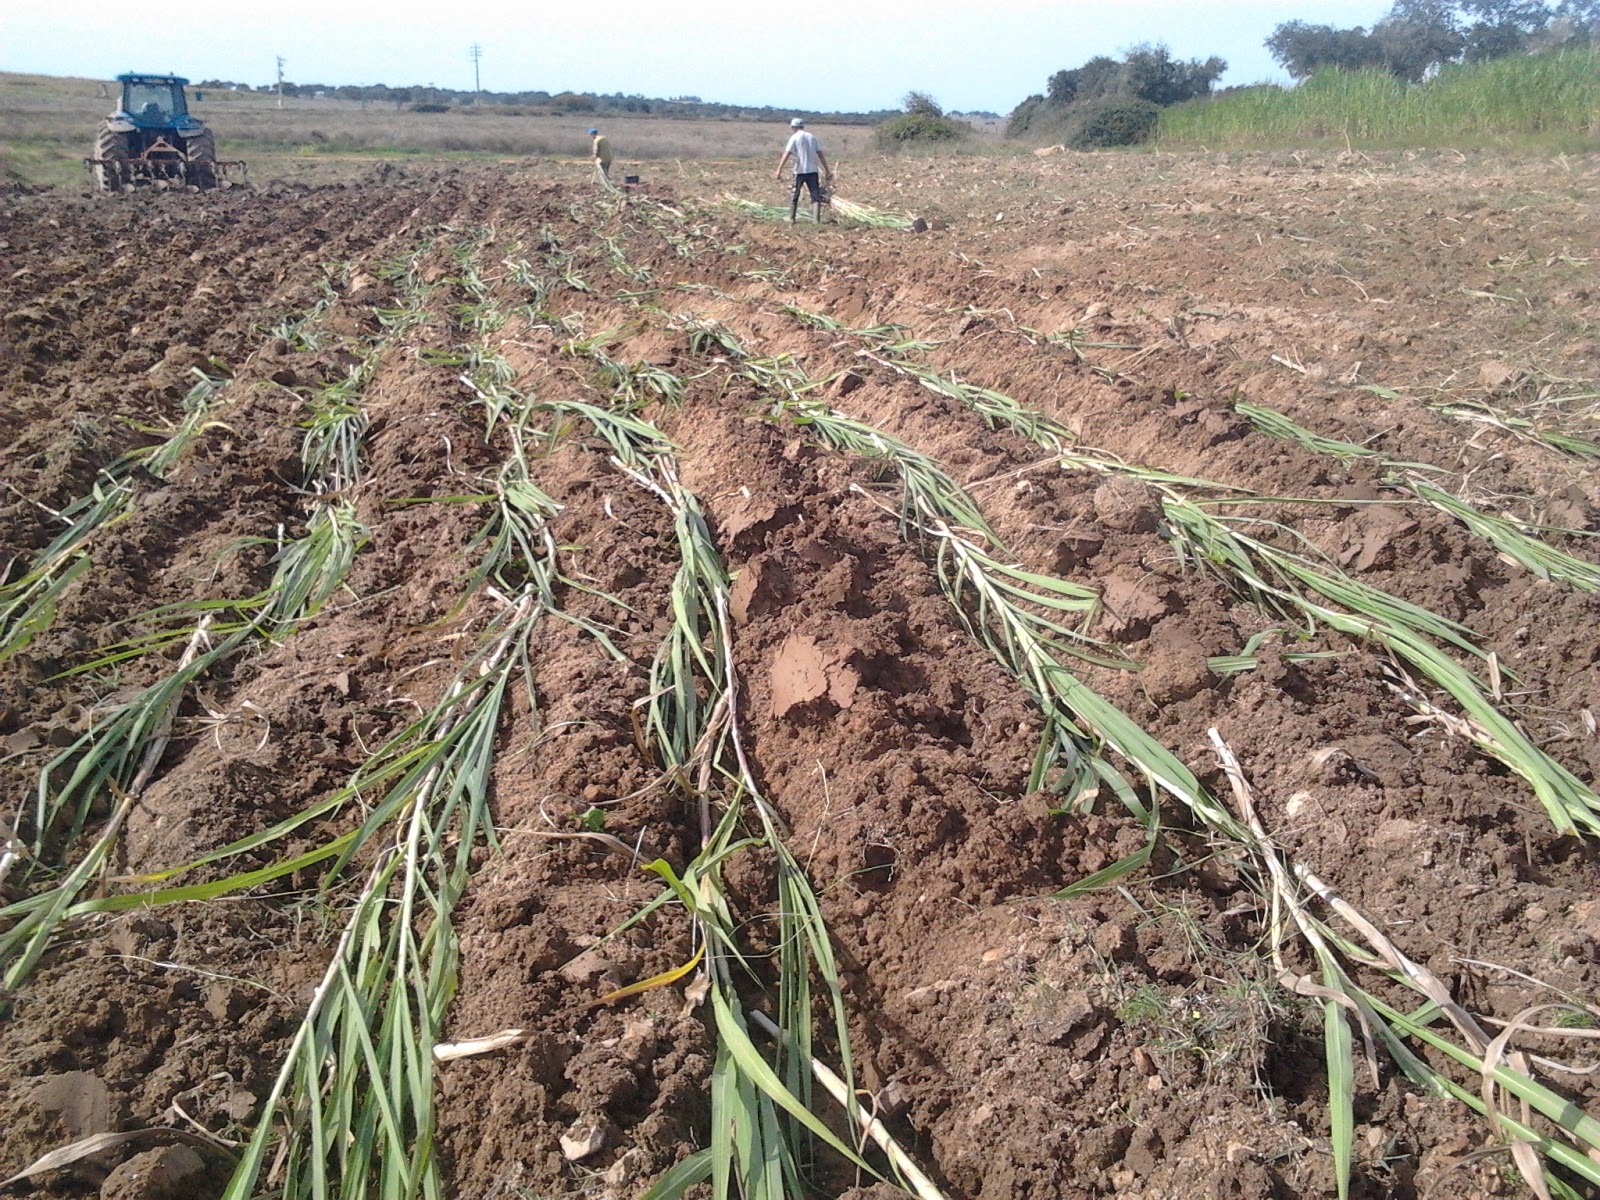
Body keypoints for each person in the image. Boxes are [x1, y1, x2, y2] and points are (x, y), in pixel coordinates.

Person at [774, 117, 832, 224]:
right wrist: (827, 170)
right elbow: (820, 154)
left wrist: (779, 169)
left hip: (799, 171)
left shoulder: (794, 138)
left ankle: (791, 218)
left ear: (793, 127)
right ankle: (816, 220)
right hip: (813, 171)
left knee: (795, 193)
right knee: (815, 194)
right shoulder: (812, 137)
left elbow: (787, 153)